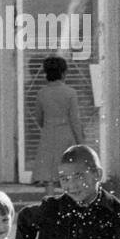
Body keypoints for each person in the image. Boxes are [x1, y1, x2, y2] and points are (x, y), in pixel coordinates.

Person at [33, 56, 84, 198]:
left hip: (48, 135)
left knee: (49, 177)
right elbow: (75, 120)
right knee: (67, 174)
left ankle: (49, 207)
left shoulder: (41, 93)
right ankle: (66, 205)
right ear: (63, 73)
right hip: (66, 135)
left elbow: (39, 117)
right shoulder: (70, 93)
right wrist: (80, 142)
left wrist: (48, 125)